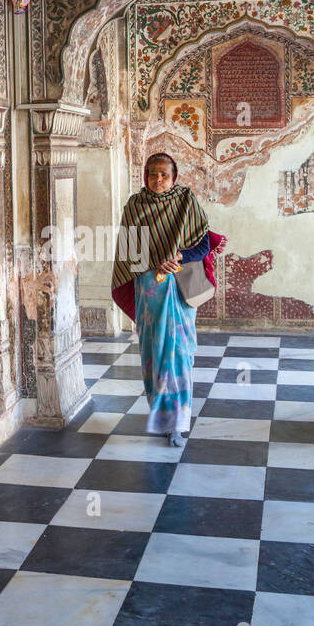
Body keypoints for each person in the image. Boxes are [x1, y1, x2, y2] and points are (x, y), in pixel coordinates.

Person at [111, 153, 227, 446]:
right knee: (155, 352)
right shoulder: (135, 206)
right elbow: (128, 251)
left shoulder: (186, 202)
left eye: (164, 174)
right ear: (145, 176)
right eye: (152, 174)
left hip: (178, 290)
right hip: (149, 290)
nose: (158, 180)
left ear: (174, 176)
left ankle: (178, 422)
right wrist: (153, 264)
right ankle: (162, 418)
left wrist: (178, 256)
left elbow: (201, 244)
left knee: (179, 353)